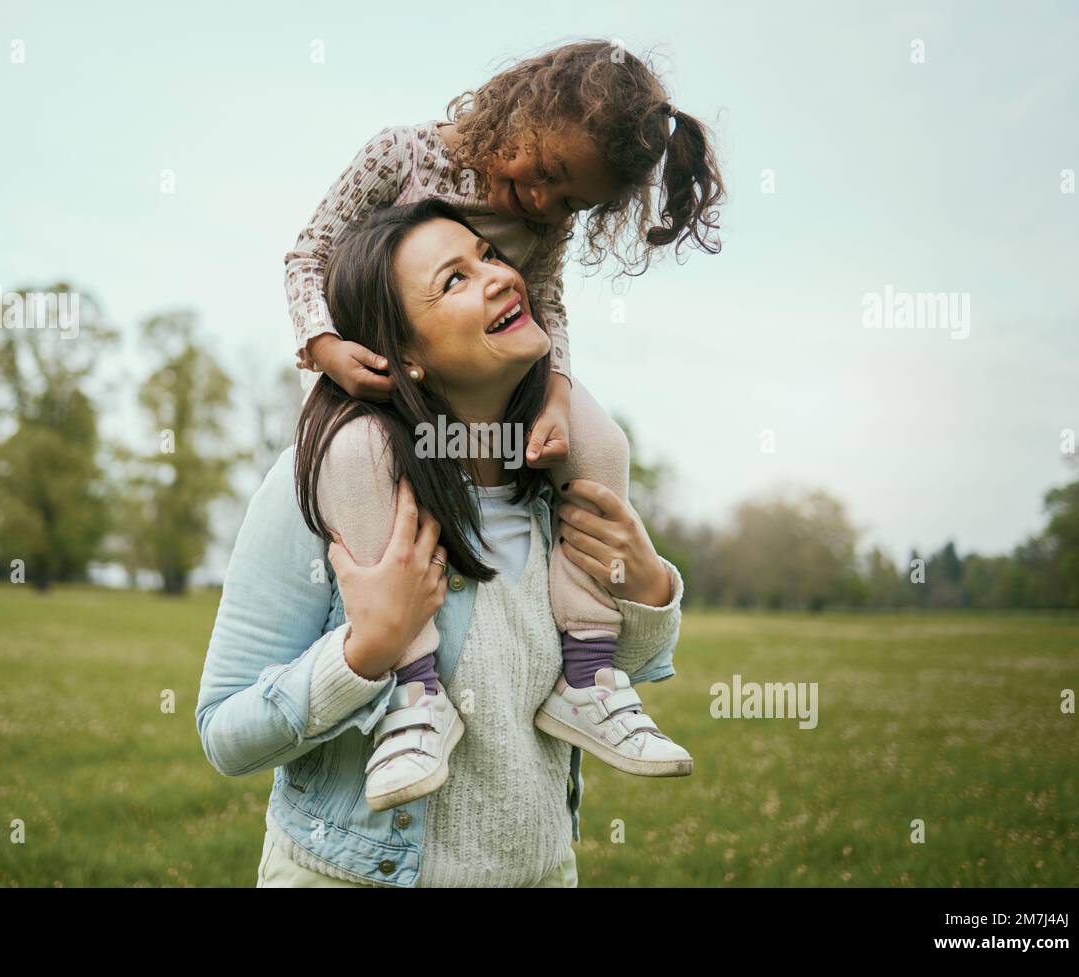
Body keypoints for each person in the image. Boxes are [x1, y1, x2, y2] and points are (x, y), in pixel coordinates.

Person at [196, 199, 687, 887]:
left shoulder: (554, 473)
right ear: (404, 357)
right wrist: (363, 652)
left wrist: (648, 589)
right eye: (453, 280)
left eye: (489, 256)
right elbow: (224, 731)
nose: (499, 277)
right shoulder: (325, 481)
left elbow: (603, 677)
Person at [282, 39, 721, 807]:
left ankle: (587, 673)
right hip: (391, 381)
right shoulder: (402, 153)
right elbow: (308, 253)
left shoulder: (543, 221)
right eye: (546, 175)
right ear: (522, 108)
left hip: (509, 385)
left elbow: (545, 302)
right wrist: (326, 347)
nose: (545, 206)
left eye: (571, 203)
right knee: (356, 456)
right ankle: (413, 693)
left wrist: (556, 389)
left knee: (601, 441)